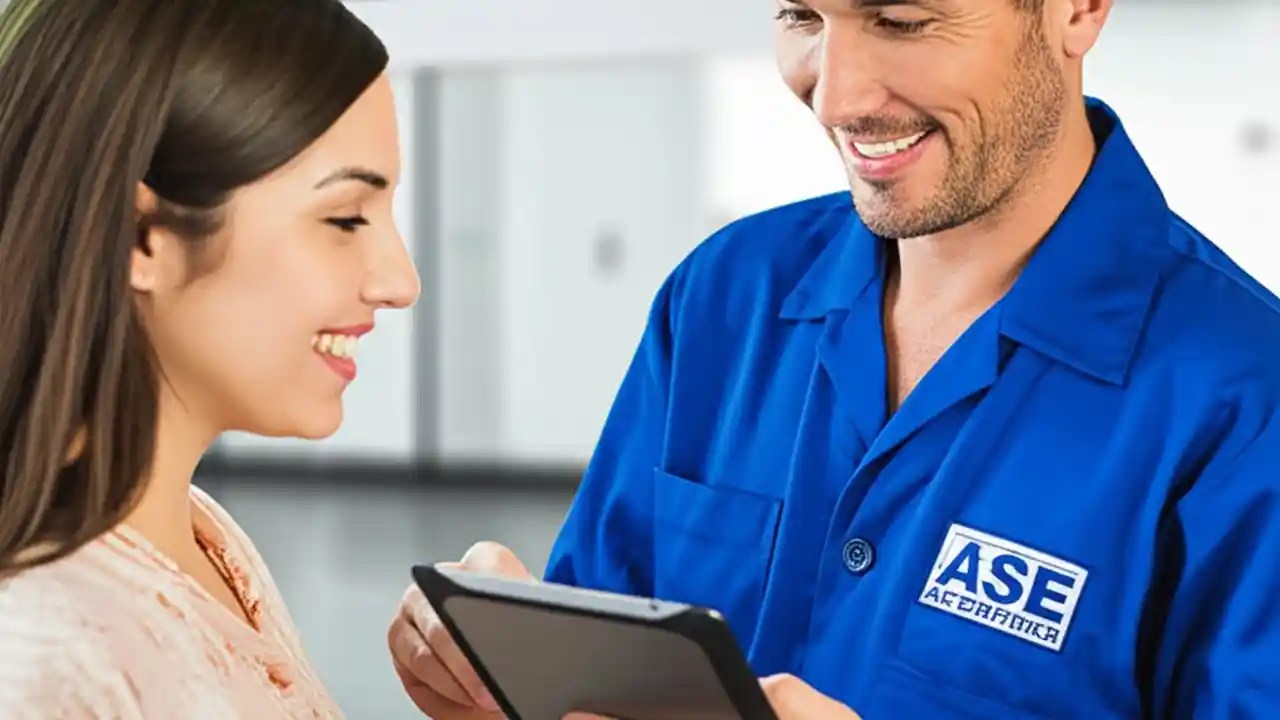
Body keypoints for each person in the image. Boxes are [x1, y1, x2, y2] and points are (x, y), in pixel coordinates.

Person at [389, 0, 1280, 717]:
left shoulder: (1243, 396)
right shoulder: (722, 301)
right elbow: (603, 673)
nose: (836, 95)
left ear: (1077, 10)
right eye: (800, 17)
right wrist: (509, 678)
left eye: (900, 21)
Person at [0, 0, 418, 717]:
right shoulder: (43, 667)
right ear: (142, 238)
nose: (399, 281)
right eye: (345, 218)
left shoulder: (204, 536)